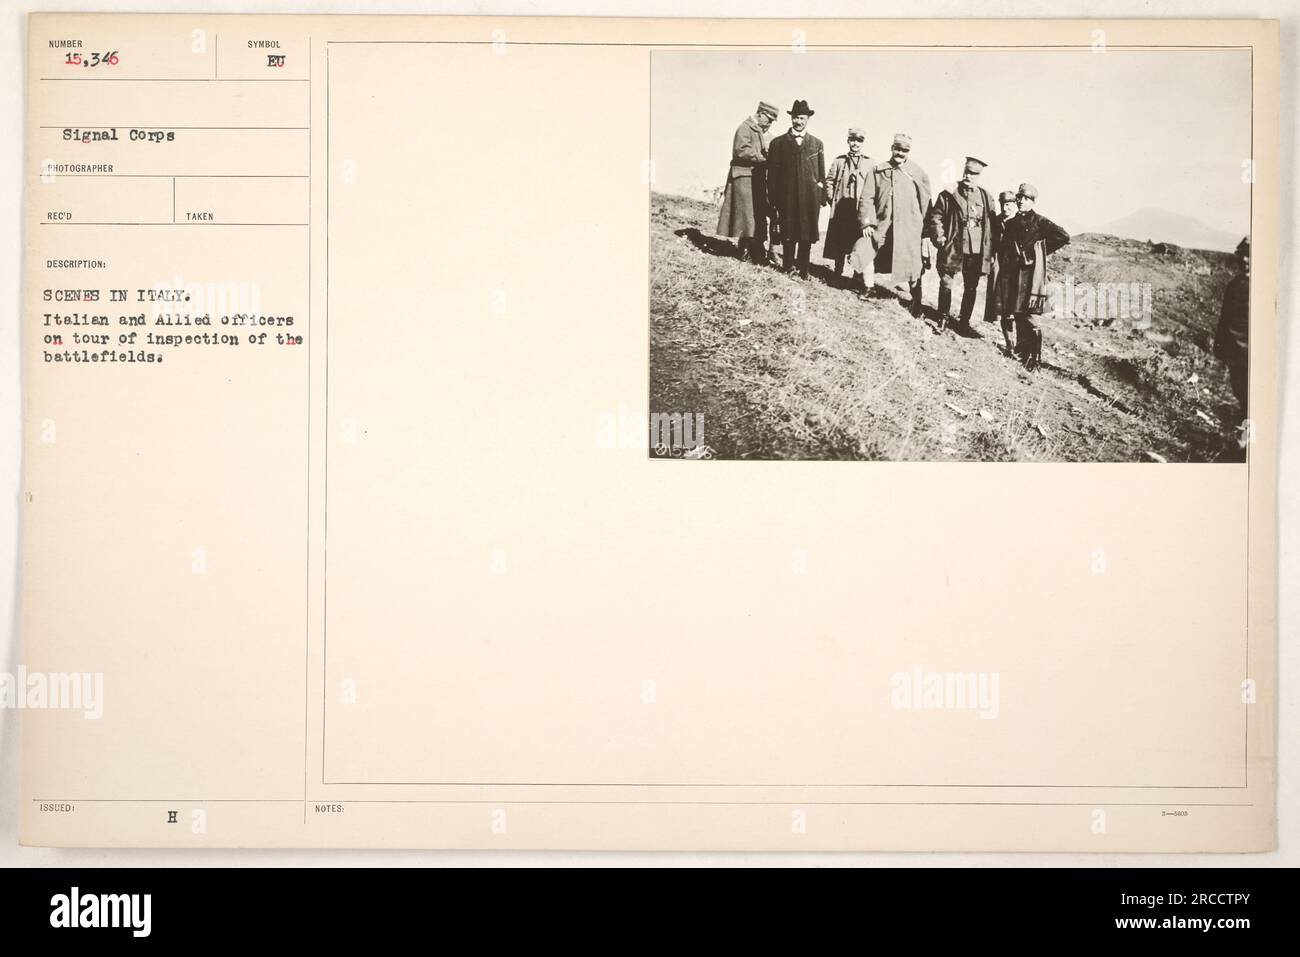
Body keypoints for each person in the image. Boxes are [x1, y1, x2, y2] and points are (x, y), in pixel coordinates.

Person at [992, 183, 1070, 369]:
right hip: (1013, 275)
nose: (1020, 201)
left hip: (1030, 276)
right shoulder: (1012, 222)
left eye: (1025, 199)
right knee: (1018, 314)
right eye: (1019, 197)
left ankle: (1034, 360)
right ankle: (1022, 354)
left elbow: (1063, 236)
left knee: (1030, 316)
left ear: (1033, 202)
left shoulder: (1040, 222)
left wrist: (1039, 252)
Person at [859, 133, 932, 316]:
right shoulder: (877, 171)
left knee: (914, 263)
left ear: (909, 152)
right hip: (882, 225)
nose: (900, 153)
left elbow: (926, 203)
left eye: (904, 150)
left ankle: (916, 302)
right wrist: (867, 223)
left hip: (909, 229)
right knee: (865, 247)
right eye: (897, 149)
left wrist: (921, 231)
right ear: (892, 148)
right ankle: (869, 288)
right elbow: (866, 198)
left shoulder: (918, 173)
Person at [926, 156, 995, 334]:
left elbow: (991, 225)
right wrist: (940, 238)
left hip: (976, 250)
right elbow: (936, 217)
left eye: (973, 174)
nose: (968, 176)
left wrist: (991, 251)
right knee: (946, 282)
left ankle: (964, 322)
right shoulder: (949, 193)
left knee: (971, 287)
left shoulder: (986, 197)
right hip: (953, 246)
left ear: (979, 176)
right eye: (967, 172)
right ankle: (942, 317)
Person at [766, 99, 826, 279]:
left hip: (809, 197)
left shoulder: (817, 143)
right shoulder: (778, 143)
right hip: (787, 197)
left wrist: (820, 196)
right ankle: (788, 266)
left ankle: (804, 269)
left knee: (806, 233)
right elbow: (773, 174)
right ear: (791, 119)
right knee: (788, 232)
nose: (798, 122)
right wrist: (774, 198)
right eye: (795, 118)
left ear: (807, 119)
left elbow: (821, 173)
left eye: (802, 118)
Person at [715, 101, 779, 263]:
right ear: (760, 113)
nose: (770, 123)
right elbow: (741, 151)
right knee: (745, 215)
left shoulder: (756, 129)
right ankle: (744, 250)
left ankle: (750, 250)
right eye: (769, 119)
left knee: (751, 215)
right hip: (743, 176)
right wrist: (764, 158)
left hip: (752, 177)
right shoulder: (745, 128)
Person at [823, 128, 872, 291]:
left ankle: (857, 276)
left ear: (862, 143)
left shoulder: (869, 163)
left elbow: (873, 187)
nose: (855, 143)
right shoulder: (839, 161)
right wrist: (832, 199)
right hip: (842, 210)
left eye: (859, 140)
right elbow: (829, 181)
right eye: (852, 140)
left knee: (857, 244)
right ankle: (837, 272)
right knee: (839, 242)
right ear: (848, 141)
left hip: (858, 211)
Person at [1214, 237, 1250, 416]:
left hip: (1258, 354)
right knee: (1242, 393)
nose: (1245, 260)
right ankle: (1246, 435)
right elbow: (1225, 319)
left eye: (1250, 255)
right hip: (1237, 352)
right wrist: (1219, 345)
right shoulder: (1234, 285)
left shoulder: (1270, 286)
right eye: (1243, 255)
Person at [984, 190, 1018, 351]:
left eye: (1009, 204)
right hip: (999, 266)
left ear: (1015, 205)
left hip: (1015, 269)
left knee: (1016, 308)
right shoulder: (996, 221)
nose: (1005, 208)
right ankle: (1010, 344)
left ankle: (1020, 345)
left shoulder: (1020, 222)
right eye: (1003, 204)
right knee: (1002, 307)